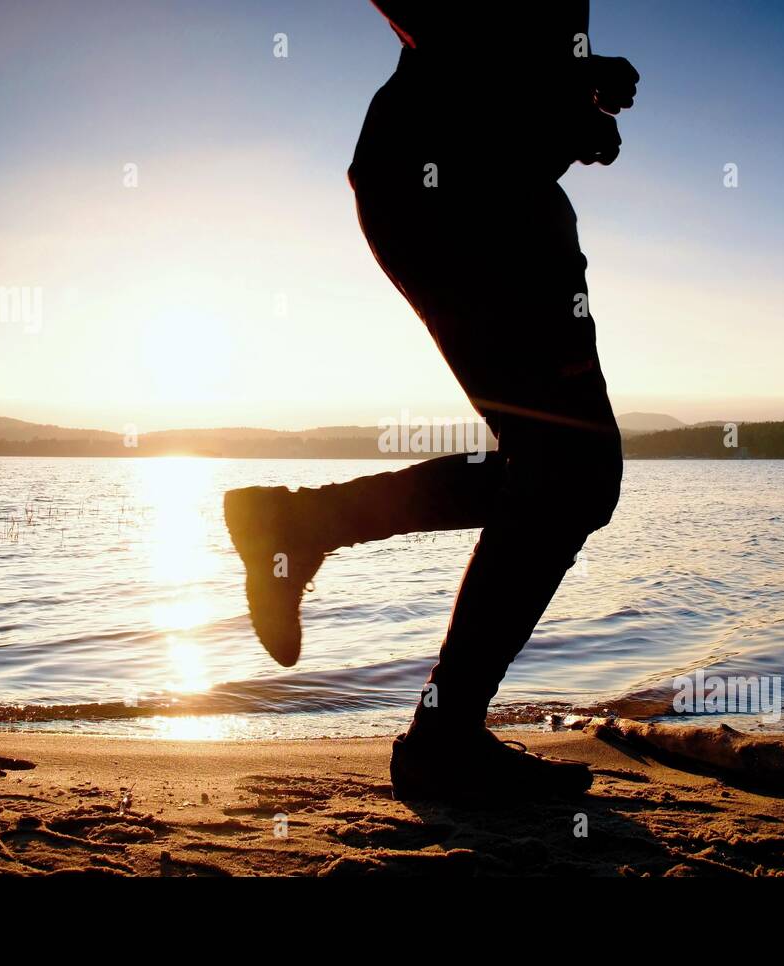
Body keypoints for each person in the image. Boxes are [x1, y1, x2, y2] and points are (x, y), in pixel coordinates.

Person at [224, 1, 639, 803]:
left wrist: (569, 117)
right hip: (450, 188)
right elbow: (442, 25)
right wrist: (565, 82)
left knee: (560, 469)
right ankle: (443, 739)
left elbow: (498, 57)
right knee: (572, 469)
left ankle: (303, 525)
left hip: (483, 189)